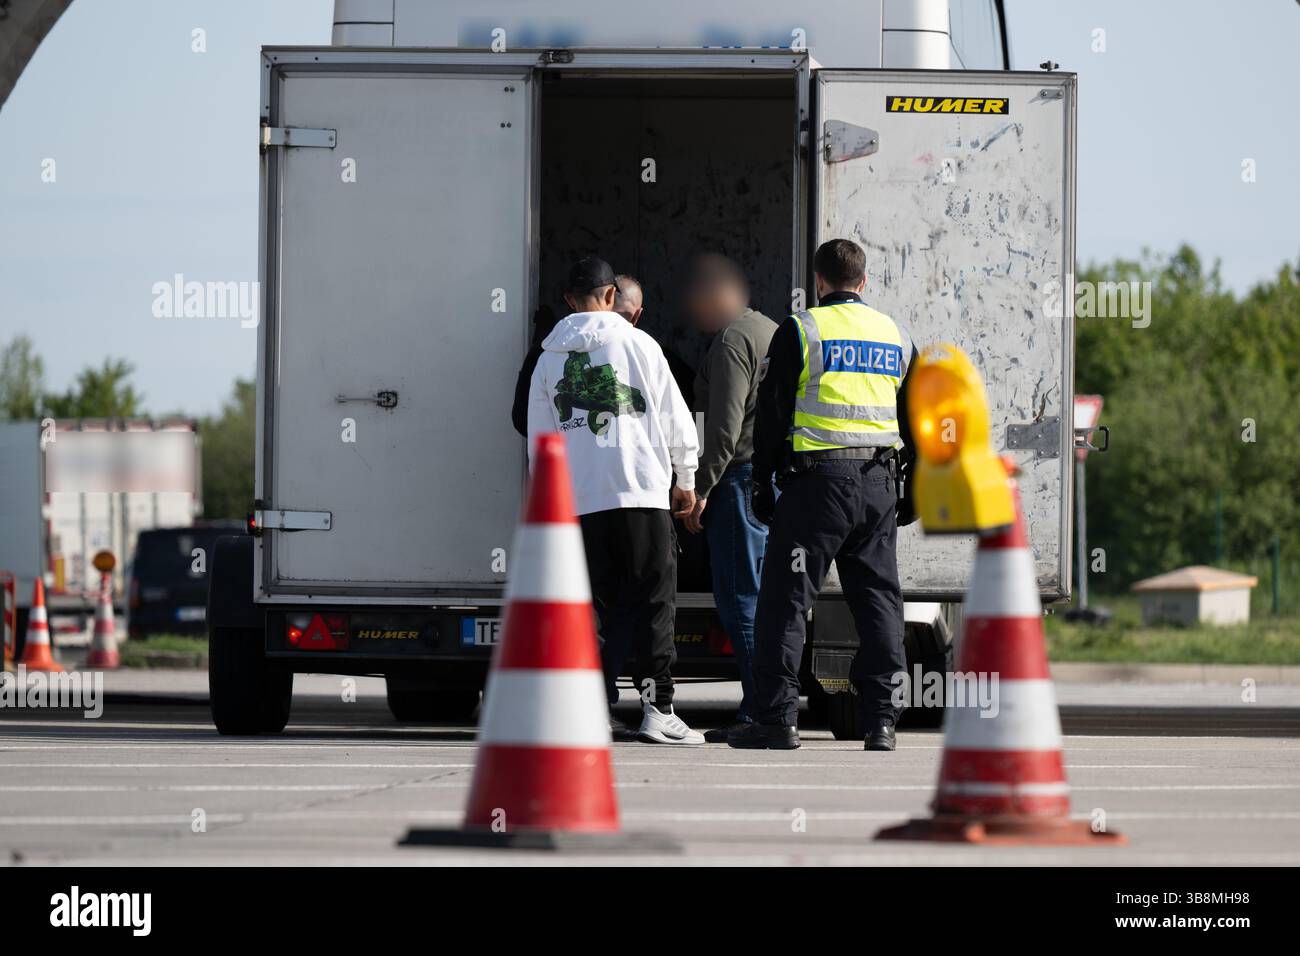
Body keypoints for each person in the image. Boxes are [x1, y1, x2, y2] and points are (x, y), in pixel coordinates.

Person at [729, 238, 918, 752]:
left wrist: (761, 481)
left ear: (818, 281)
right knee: (879, 602)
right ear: (863, 282)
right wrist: (914, 485)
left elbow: (771, 414)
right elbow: (916, 416)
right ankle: (881, 723)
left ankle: (777, 720)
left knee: (786, 603)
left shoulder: (801, 329)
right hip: (878, 483)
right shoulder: (896, 336)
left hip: (817, 487)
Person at [527, 255, 704, 745]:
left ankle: (590, 712)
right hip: (642, 492)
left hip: (578, 502)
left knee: (587, 609)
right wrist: (686, 478)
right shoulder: (641, 343)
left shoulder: (547, 360)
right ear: (611, 296)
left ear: (569, 300)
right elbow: (674, 415)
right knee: (653, 605)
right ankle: (657, 710)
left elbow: (540, 444)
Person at [679, 254, 777, 743]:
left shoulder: (733, 340)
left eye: (697, 297)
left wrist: (700, 490)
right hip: (773, 482)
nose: (692, 309)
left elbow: (724, 428)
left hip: (738, 481)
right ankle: (766, 703)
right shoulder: (773, 331)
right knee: (764, 600)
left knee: (740, 598)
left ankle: (762, 710)